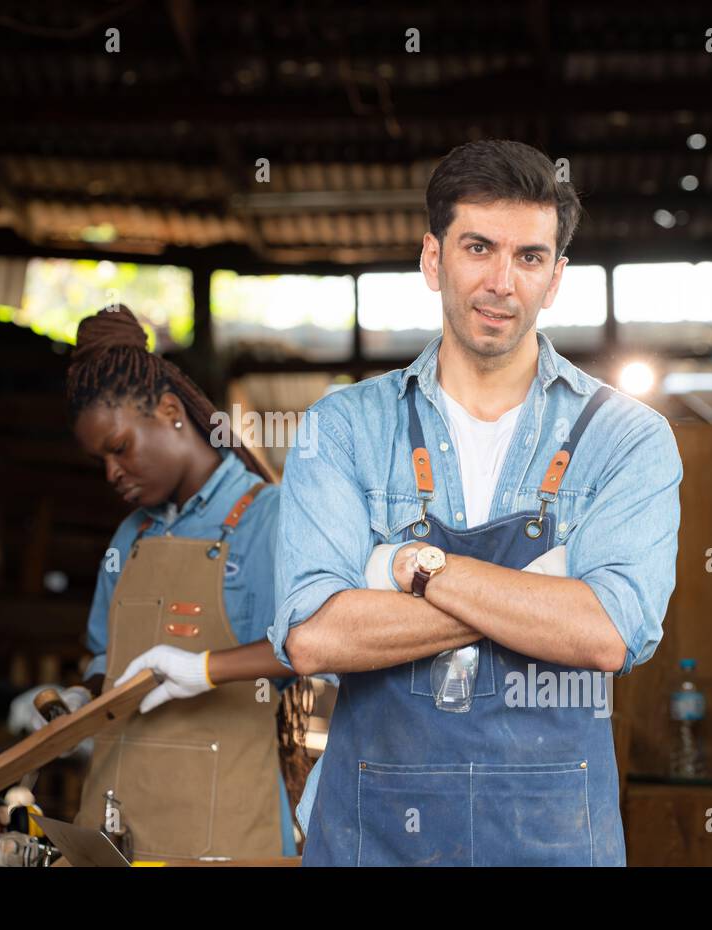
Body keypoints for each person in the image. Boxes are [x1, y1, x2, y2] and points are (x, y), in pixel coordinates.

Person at [269, 139, 683, 866]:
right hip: (373, 836)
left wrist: (410, 566)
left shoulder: (627, 438)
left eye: (529, 257)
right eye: (479, 248)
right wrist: (540, 598)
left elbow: (608, 634)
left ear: (556, 277)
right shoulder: (344, 428)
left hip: (551, 839)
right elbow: (312, 635)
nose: (502, 282)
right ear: (433, 260)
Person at [55, 305, 298, 861]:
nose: (111, 472)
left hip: (223, 831)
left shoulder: (270, 519)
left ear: (169, 411)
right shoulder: (129, 537)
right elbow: (105, 662)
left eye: (119, 448)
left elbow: (314, 648)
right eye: (100, 460)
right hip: (115, 829)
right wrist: (76, 701)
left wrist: (205, 669)